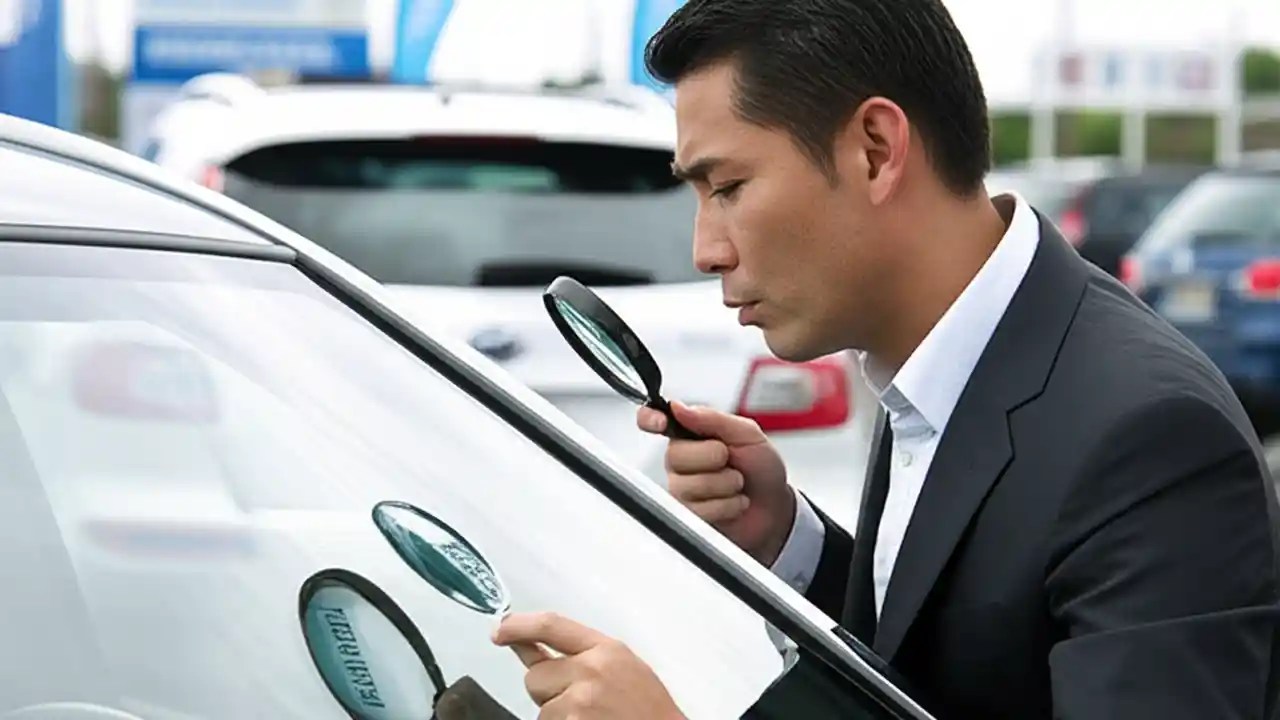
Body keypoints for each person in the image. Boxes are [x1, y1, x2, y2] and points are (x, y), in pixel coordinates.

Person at [491, 0, 1280, 717]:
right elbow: (942, 673)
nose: (705, 250)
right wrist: (791, 543)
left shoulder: (1151, 441)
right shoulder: (943, 361)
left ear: (875, 150)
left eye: (727, 186)